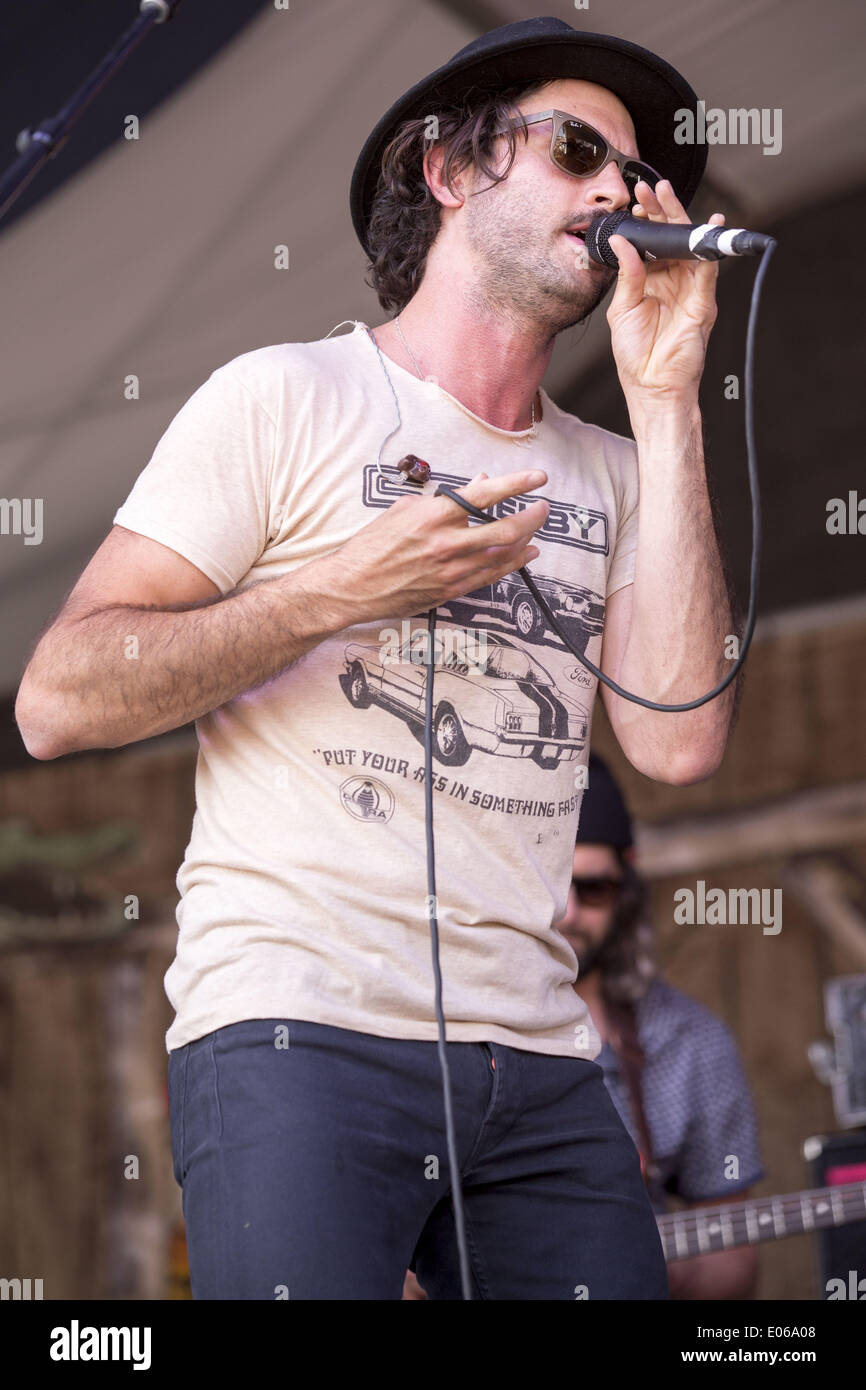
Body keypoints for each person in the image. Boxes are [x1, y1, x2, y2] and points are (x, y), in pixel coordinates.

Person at [15, 17, 738, 1299]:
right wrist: (339, 589)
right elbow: (59, 697)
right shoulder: (282, 397)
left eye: (632, 174)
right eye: (577, 149)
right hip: (299, 1029)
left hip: (543, 1058)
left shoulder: (621, 470)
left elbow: (678, 740)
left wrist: (668, 396)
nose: (616, 192)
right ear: (448, 171)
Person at [556, 753, 764, 1300]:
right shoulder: (435, 1036)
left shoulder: (692, 1041)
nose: (570, 913)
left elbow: (732, 1254)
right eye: (552, 886)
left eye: (594, 888)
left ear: (626, 884)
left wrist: (656, 1275)